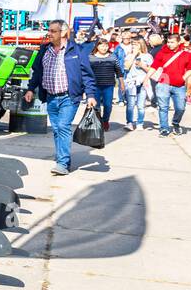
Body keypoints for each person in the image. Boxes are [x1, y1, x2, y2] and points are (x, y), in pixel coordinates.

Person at [25, 20, 99, 175]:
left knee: (64, 127)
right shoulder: (44, 50)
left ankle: (62, 163)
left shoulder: (77, 50)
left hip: (69, 97)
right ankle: (62, 159)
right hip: (51, 97)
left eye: (53, 31)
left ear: (63, 32)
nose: (49, 34)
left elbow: (87, 75)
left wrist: (91, 95)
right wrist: (31, 89)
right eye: (49, 30)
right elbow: (37, 71)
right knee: (57, 129)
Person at [148, 32, 191, 136]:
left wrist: (183, 78)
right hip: (163, 83)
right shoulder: (162, 52)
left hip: (179, 85)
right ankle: (164, 128)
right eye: (168, 42)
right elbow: (154, 66)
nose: (169, 44)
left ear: (179, 42)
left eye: (172, 42)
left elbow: (190, 68)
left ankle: (175, 123)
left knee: (181, 107)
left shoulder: (187, 54)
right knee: (163, 107)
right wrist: (146, 78)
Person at [88, 37, 125, 130]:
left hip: (108, 85)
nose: (104, 48)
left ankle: (105, 121)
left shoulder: (112, 56)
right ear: (97, 46)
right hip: (94, 85)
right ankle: (97, 122)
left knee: (108, 105)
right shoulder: (90, 57)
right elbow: (86, 72)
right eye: (102, 46)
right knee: (95, 105)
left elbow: (118, 70)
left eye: (106, 46)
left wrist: (122, 83)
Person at [123, 35, 153, 131]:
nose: (133, 46)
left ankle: (140, 122)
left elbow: (151, 70)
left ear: (141, 45)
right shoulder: (129, 55)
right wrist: (133, 55)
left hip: (143, 82)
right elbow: (126, 67)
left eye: (136, 44)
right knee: (130, 104)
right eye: (132, 44)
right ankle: (129, 122)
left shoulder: (147, 56)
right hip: (131, 82)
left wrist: (142, 65)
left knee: (141, 105)